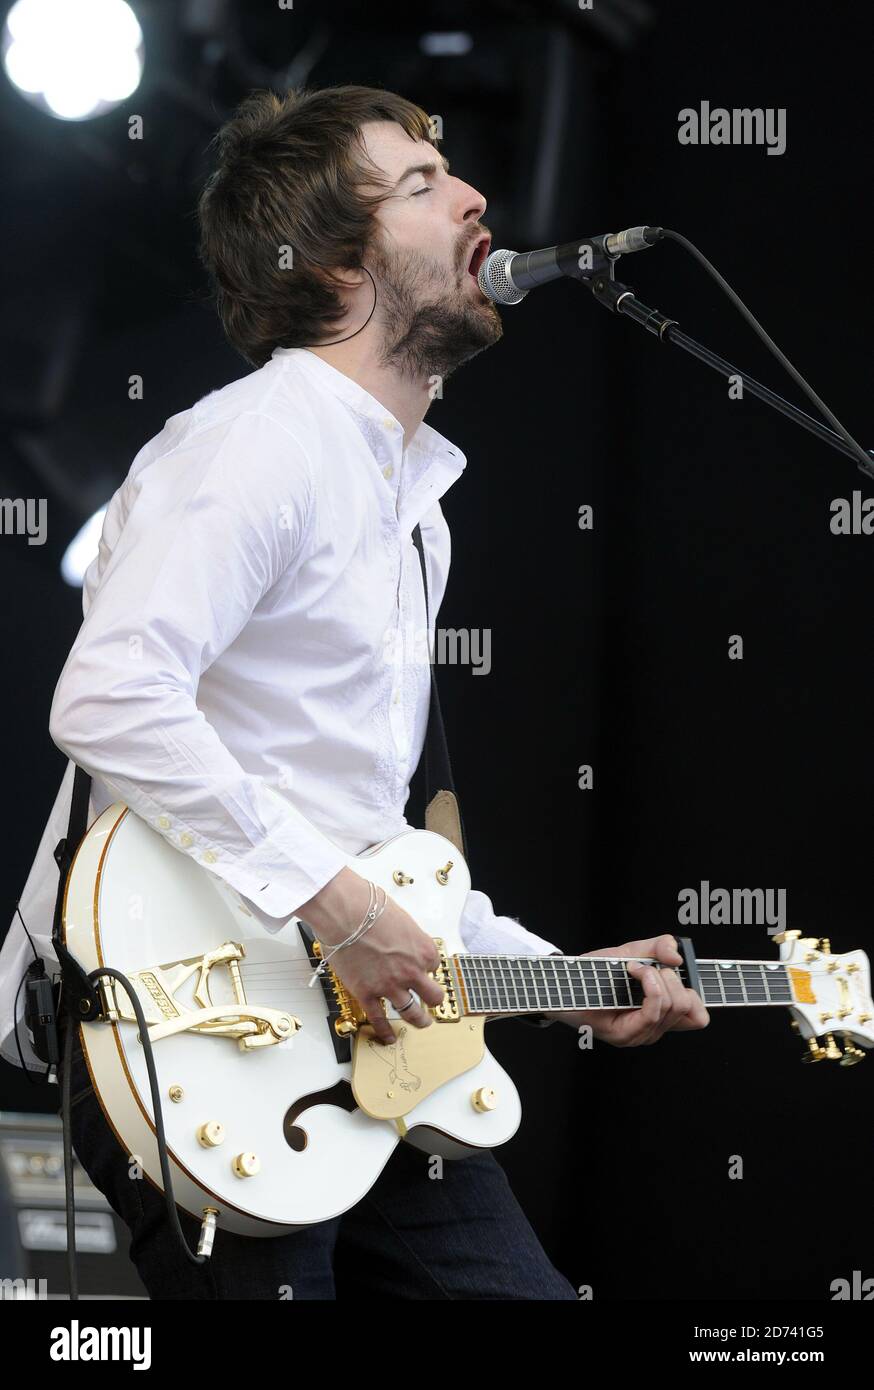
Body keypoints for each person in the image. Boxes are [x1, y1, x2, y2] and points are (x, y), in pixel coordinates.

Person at [0, 84, 708, 1299]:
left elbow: (381, 858)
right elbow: (112, 696)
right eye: (421, 184)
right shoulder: (259, 439)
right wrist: (338, 907)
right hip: (193, 1029)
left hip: (358, 1054)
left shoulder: (413, 508)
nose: (479, 195)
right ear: (332, 263)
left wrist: (567, 973)